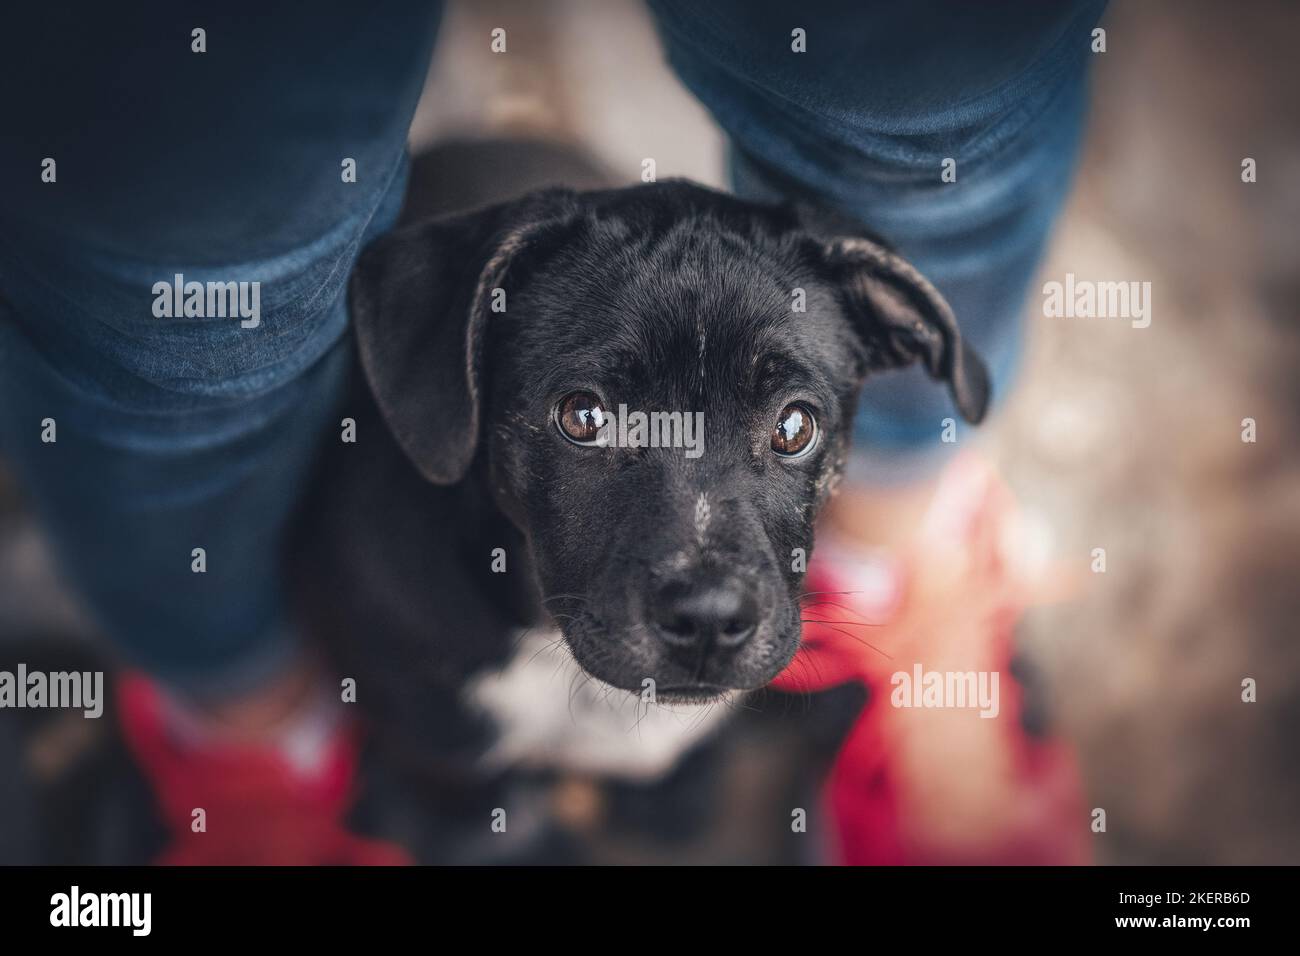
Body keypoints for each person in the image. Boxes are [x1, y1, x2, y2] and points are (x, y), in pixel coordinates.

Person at [0, 0, 1106, 863]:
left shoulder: (810, 357)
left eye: (790, 423)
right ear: (458, 375)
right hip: (430, 615)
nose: (708, 571)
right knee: (178, 250)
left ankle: (893, 564)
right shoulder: (387, 584)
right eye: (589, 415)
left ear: (894, 342)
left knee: (925, 97)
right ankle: (247, 722)